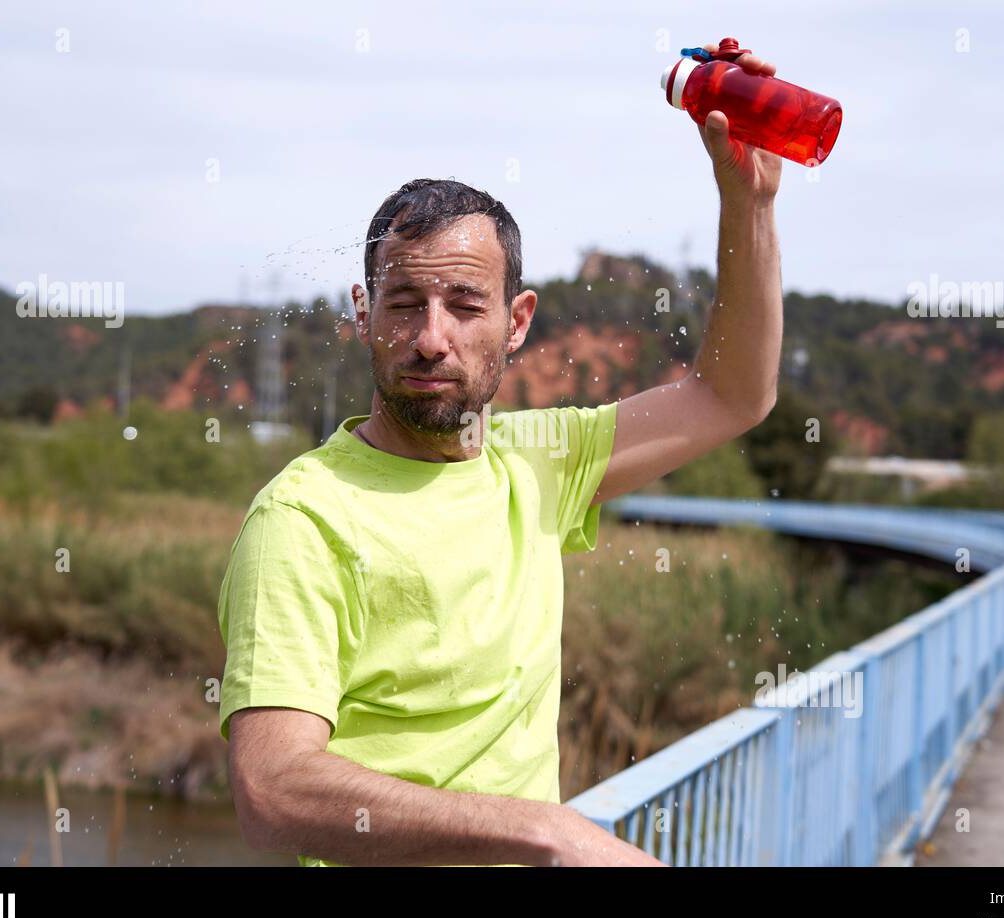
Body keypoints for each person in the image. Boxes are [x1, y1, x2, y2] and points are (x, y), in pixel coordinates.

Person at [218, 42, 783, 867]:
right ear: (363, 313)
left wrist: (750, 202)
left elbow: (734, 395)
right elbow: (273, 789)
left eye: (464, 305)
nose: (431, 337)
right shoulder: (301, 519)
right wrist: (545, 830)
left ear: (517, 322)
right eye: (403, 301)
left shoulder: (539, 461)